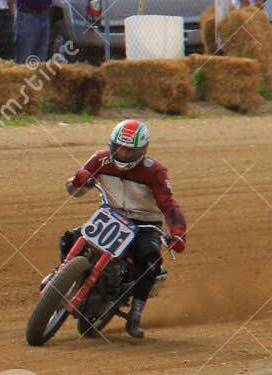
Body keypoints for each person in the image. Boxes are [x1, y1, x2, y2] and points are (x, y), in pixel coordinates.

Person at [62, 119, 186, 339]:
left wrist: (178, 231)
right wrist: (78, 181)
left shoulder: (154, 172)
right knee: (69, 238)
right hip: (110, 215)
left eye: (130, 150)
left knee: (149, 259)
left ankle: (135, 315)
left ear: (142, 150)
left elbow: (168, 204)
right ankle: (65, 279)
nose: (123, 154)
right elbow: (75, 191)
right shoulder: (100, 159)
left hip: (144, 223)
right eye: (119, 147)